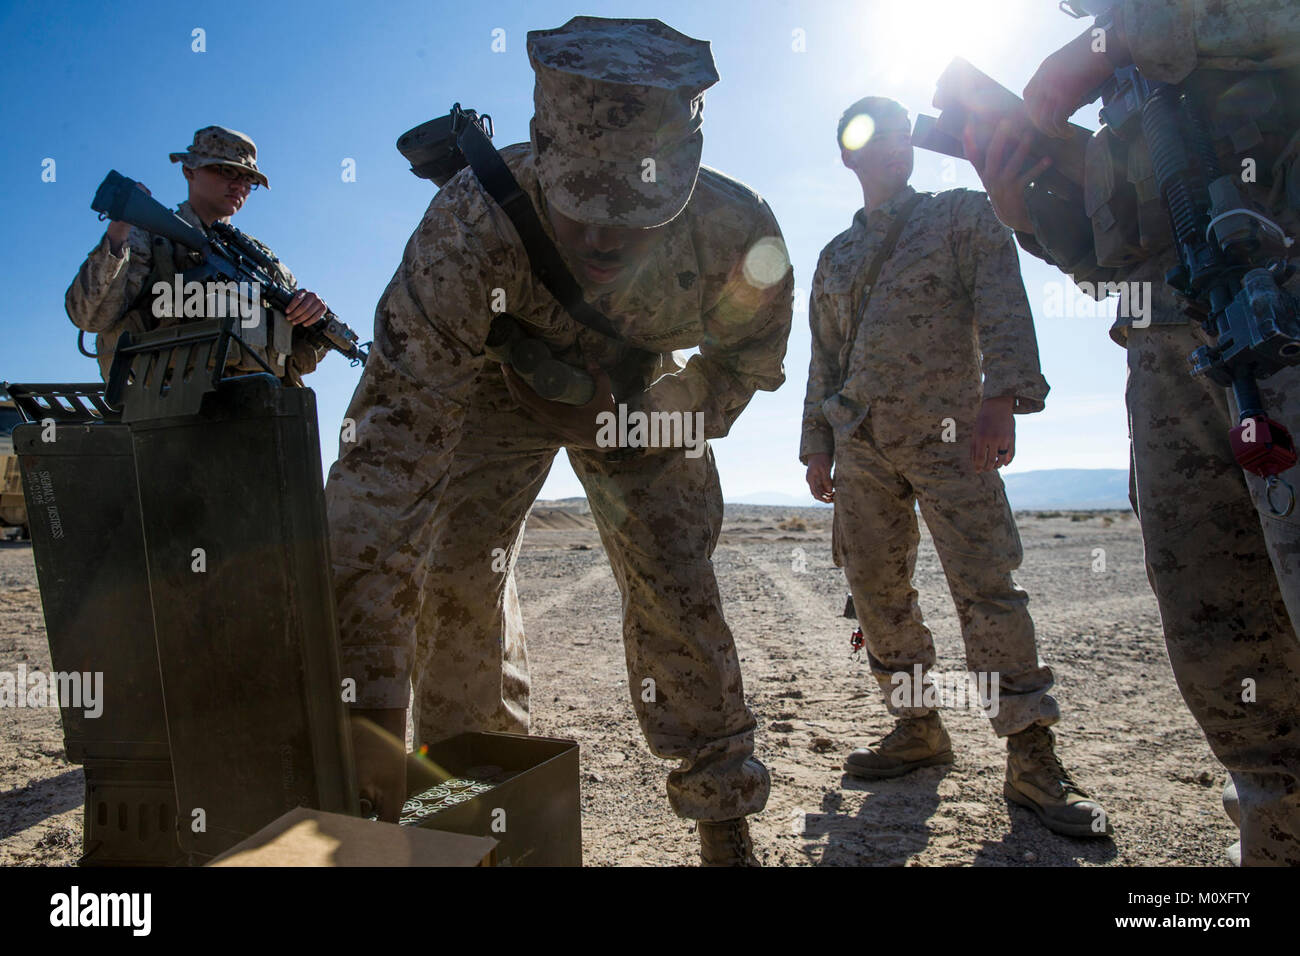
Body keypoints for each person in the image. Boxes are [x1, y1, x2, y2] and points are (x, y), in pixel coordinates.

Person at [326, 16, 793, 865]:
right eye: (581, 209)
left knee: (675, 576)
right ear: (542, 157)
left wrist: (652, 417)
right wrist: (357, 713)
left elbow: (742, 366)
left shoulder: (737, 234)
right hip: (494, 398)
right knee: (457, 575)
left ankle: (724, 820)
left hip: (641, 394)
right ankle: (471, 799)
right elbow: (386, 470)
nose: (605, 239)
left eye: (638, 215)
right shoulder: (465, 233)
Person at [967, 0, 1300, 864]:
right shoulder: (1125, 85)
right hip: (1173, 361)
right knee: (1228, 646)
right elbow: (1124, 252)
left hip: (1283, 313)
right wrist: (1026, 213)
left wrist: (1112, 42)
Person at [800, 95, 1111, 838]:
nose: (893, 145)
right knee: (876, 592)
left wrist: (1000, 396)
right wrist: (818, 440)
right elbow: (823, 357)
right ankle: (917, 729)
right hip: (863, 444)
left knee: (986, 588)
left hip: (953, 435)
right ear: (848, 155)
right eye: (873, 137)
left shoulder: (960, 214)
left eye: (903, 132)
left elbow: (1002, 299)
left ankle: (1032, 756)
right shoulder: (835, 256)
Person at [66, 125, 330, 386]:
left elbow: (289, 360)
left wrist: (312, 318)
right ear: (189, 170)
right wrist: (119, 230)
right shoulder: (148, 238)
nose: (239, 185)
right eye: (227, 171)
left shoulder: (266, 265)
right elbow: (90, 317)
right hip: (167, 410)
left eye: (248, 180)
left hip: (261, 413)